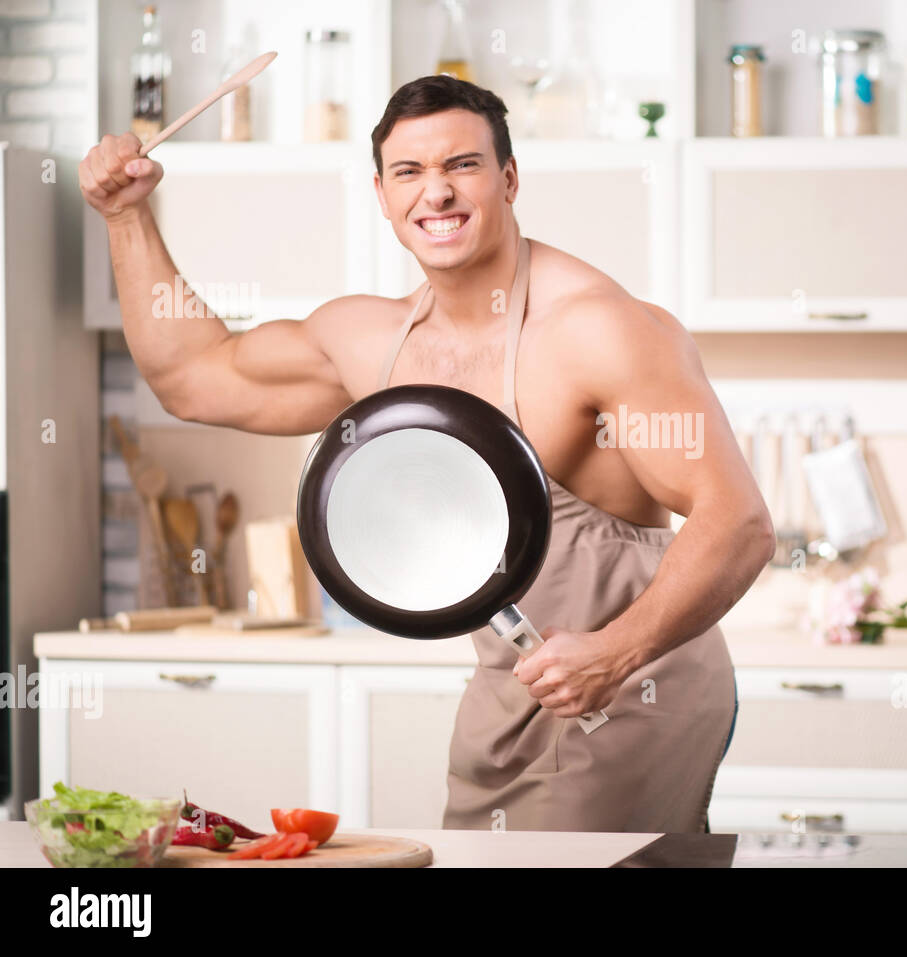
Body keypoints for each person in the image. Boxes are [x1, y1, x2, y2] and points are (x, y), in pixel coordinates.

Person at [78, 74, 774, 832]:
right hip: (512, 686)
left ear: (508, 179)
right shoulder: (371, 342)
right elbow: (193, 377)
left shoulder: (598, 329)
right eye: (410, 172)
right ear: (382, 195)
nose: (435, 192)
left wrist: (613, 653)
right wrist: (125, 215)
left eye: (462, 166)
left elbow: (737, 522)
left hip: (641, 682)